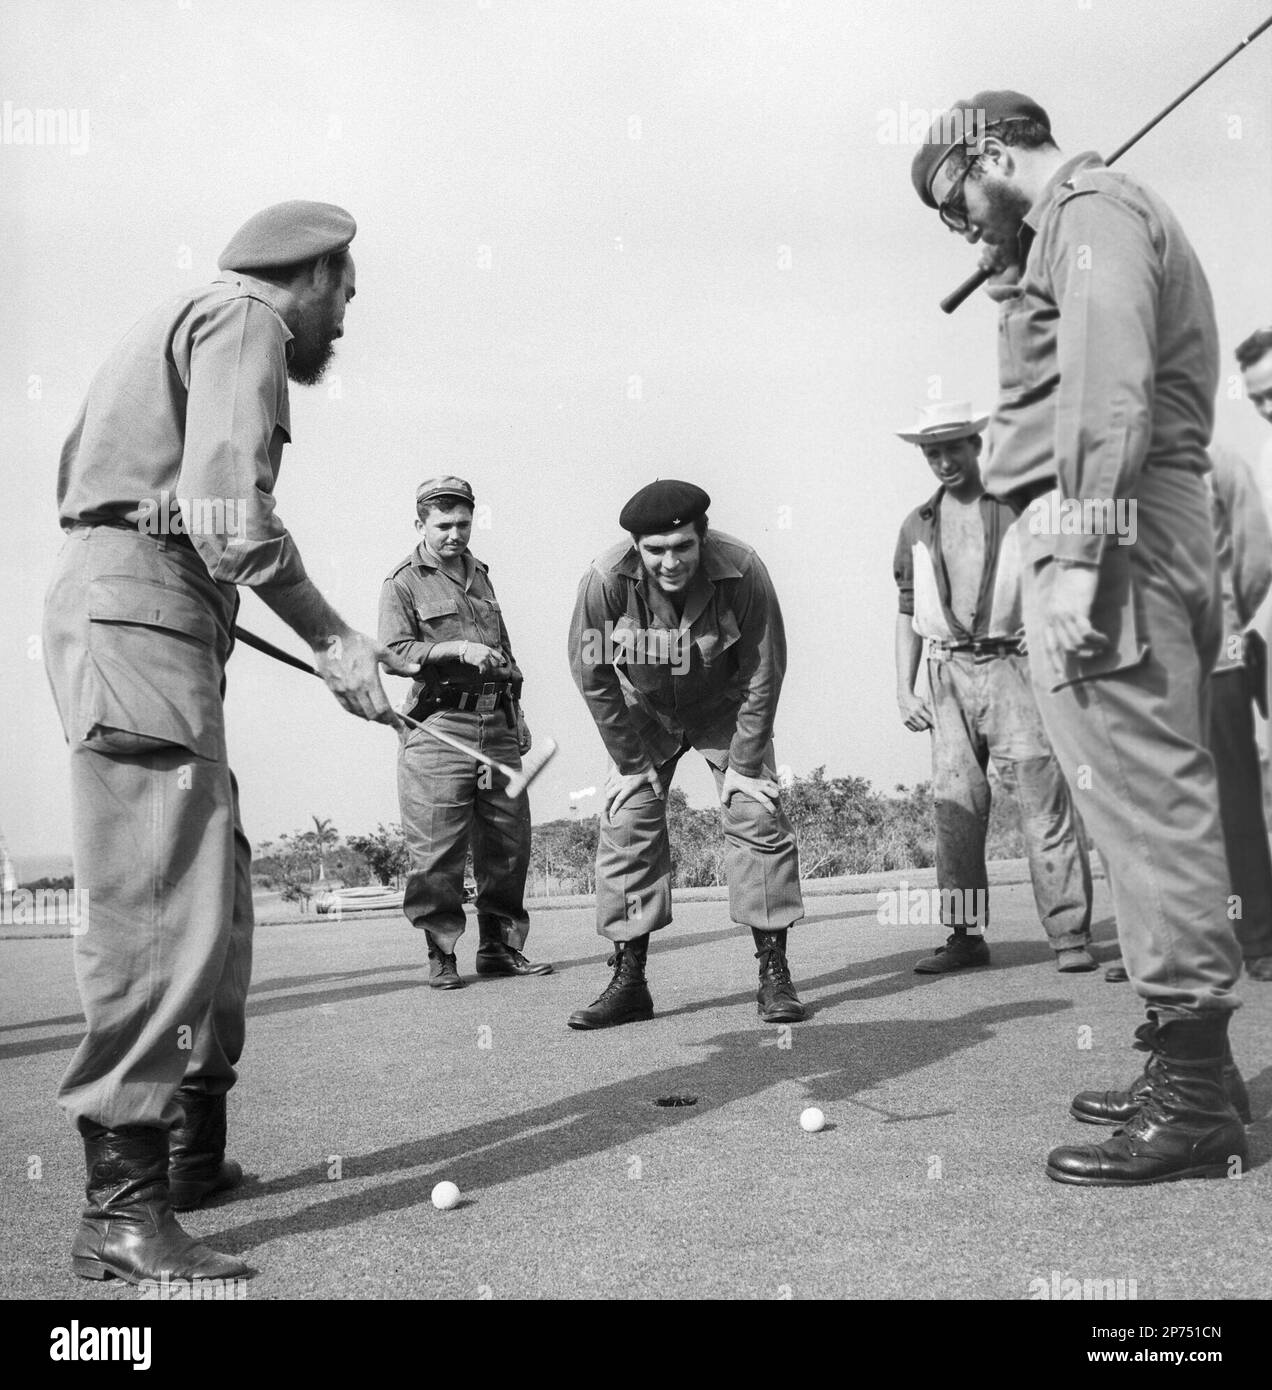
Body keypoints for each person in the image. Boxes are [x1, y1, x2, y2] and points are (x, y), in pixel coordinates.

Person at [43, 201, 418, 1284]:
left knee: (216, 887)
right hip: (141, 616)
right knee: (159, 907)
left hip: (155, 611)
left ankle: (190, 1156)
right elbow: (225, 516)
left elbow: (179, 521)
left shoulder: (198, 321)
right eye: (345, 291)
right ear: (313, 272)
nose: (344, 315)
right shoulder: (246, 315)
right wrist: (339, 640)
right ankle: (121, 1207)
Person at [910, 92, 1249, 1185]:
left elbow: (1107, 395)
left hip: (1116, 530)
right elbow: (1048, 395)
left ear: (994, 152)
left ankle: (1196, 1098)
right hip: (1111, 526)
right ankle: (1185, 1063)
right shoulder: (1060, 234)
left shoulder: (1092, 213)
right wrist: (1017, 280)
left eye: (954, 195)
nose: (956, 224)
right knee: (1131, 804)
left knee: (1152, 806)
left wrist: (1089, 557)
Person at [566, 480, 805, 1029]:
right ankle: (629, 980)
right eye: (655, 551)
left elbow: (764, 670)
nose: (669, 562)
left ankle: (774, 972)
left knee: (756, 813)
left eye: (682, 547)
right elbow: (595, 677)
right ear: (637, 548)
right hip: (644, 710)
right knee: (627, 821)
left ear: (703, 537)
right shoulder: (604, 581)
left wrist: (744, 768)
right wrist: (631, 764)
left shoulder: (743, 569)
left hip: (725, 705)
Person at [893, 400, 1096, 975]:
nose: (943, 461)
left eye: (953, 448)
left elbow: (1067, 571)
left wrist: (1049, 630)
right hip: (947, 672)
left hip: (1014, 668)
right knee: (956, 807)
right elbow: (907, 609)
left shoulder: (1022, 509)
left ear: (976, 447)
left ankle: (1070, 935)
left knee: (1043, 799)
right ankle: (964, 937)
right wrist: (904, 690)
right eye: (932, 453)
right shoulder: (917, 524)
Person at [379, 476, 550, 988]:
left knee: (507, 842)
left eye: (463, 523)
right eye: (444, 524)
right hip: (439, 727)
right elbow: (392, 653)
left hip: (495, 721)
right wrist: (453, 649)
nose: (455, 533)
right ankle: (441, 953)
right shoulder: (403, 582)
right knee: (437, 847)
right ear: (420, 524)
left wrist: (516, 715)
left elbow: (505, 652)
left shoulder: (482, 576)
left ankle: (498, 949)